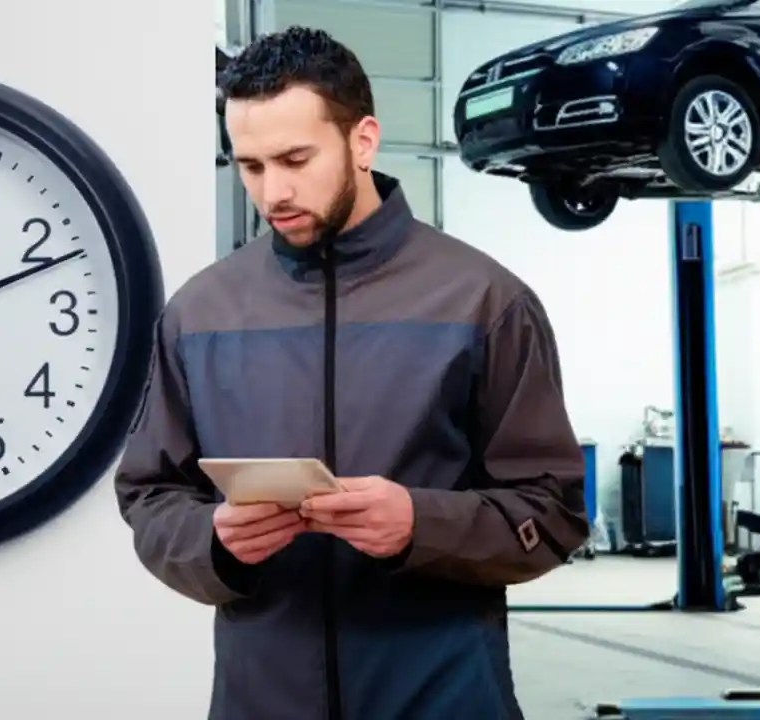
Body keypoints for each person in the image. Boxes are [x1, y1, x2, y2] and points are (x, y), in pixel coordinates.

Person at [114, 25, 588, 720]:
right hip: (260, 701)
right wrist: (211, 539)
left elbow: (553, 511)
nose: (272, 191)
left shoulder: (485, 302)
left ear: (362, 141)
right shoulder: (201, 312)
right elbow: (149, 495)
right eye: (250, 166)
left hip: (446, 697)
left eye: (295, 158)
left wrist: (419, 522)